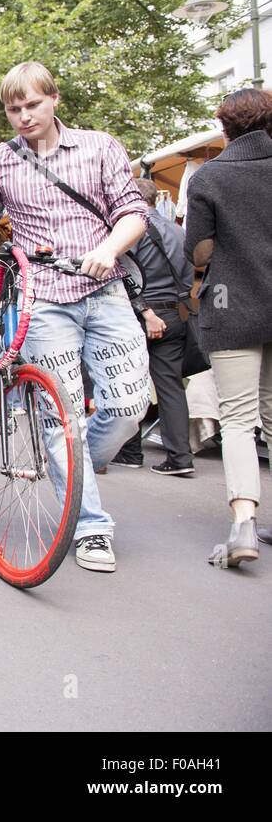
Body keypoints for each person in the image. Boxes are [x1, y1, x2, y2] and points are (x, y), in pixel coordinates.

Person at [0, 60, 149, 574]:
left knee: (129, 407)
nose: (24, 116)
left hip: (104, 288)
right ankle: (91, 526)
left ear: (54, 98)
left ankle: (76, 467)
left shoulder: (100, 146)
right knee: (63, 417)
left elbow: (132, 212)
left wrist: (108, 248)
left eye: (33, 104)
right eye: (14, 109)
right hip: (42, 298)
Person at [184, 87, 272, 565]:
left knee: (238, 418)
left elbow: (198, 252)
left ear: (226, 127)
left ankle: (243, 527)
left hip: (232, 303)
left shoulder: (210, 177)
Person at [110, 178, 194, 477]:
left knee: (127, 380)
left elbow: (124, 273)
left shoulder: (131, 231)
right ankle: (180, 458)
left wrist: (145, 310)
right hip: (174, 312)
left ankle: (130, 452)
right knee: (171, 386)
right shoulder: (178, 230)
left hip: (139, 312)